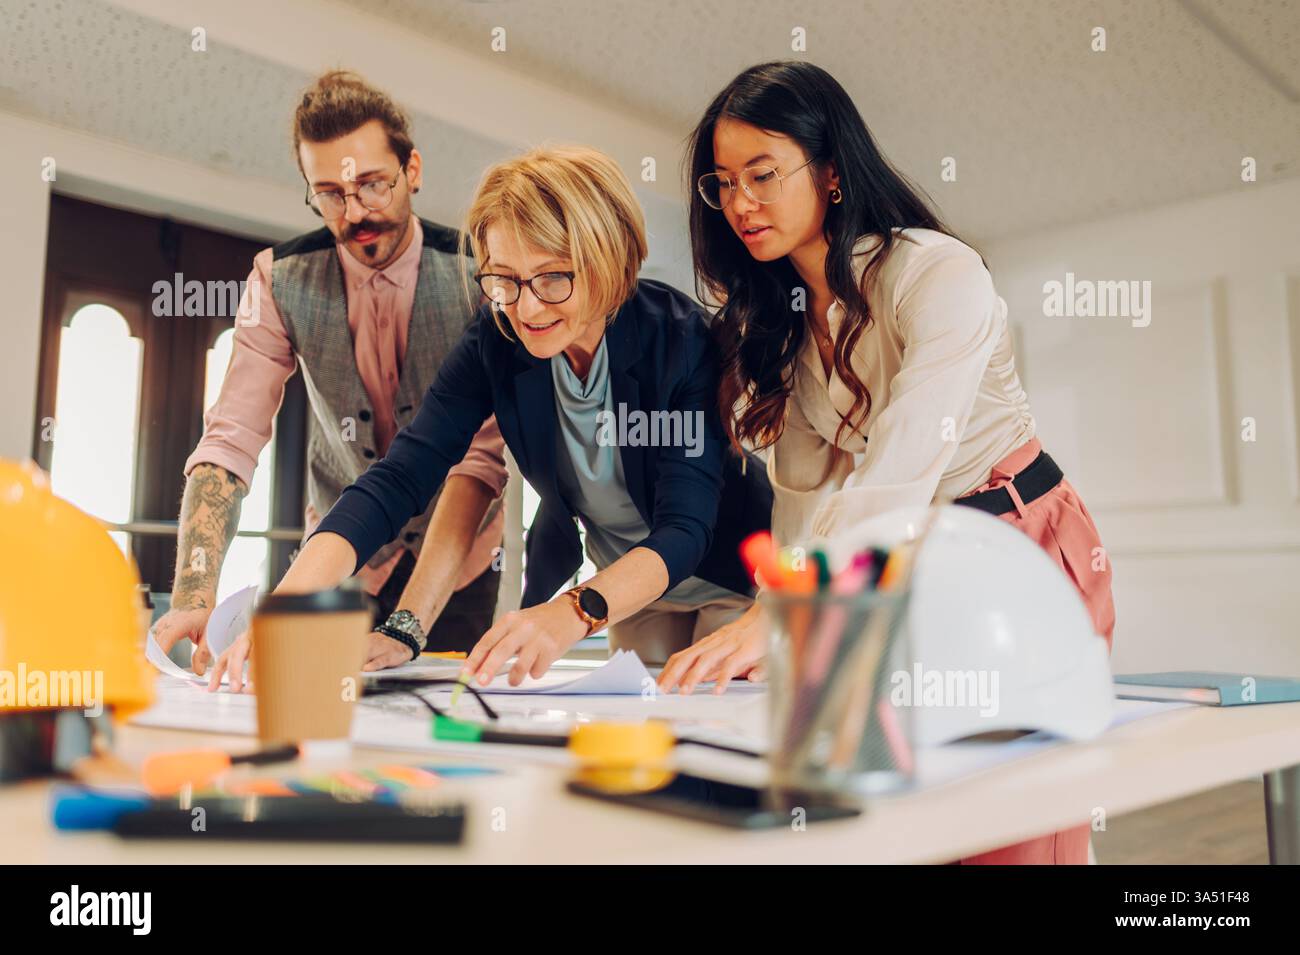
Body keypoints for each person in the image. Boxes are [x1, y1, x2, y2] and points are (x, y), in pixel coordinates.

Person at [663, 61, 1115, 865]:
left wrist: (783, 612)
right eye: (722, 183)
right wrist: (772, 624)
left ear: (831, 174)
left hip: (1022, 542)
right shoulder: (786, 326)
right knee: (920, 817)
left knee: (1016, 827)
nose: (739, 203)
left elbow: (903, 463)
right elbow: (802, 502)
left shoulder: (937, 272)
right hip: (910, 566)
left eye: (762, 175)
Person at [207, 144, 771, 690]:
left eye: (553, 277)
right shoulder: (497, 339)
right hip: (627, 583)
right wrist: (288, 604)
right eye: (504, 279)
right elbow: (401, 476)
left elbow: (685, 528)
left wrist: (571, 610)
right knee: (644, 743)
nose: (525, 308)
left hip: (723, 575)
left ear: (608, 263)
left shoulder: (678, 338)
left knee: (717, 722)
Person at [151, 71, 508, 677]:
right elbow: (229, 441)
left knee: (440, 729)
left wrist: (408, 623)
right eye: (330, 194)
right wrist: (193, 591)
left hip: (458, 560)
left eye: (372, 185)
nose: (356, 212)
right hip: (340, 554)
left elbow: (479, 461)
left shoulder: (482, 274)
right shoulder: (277, 279)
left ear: (412, 169)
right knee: (319, 722)